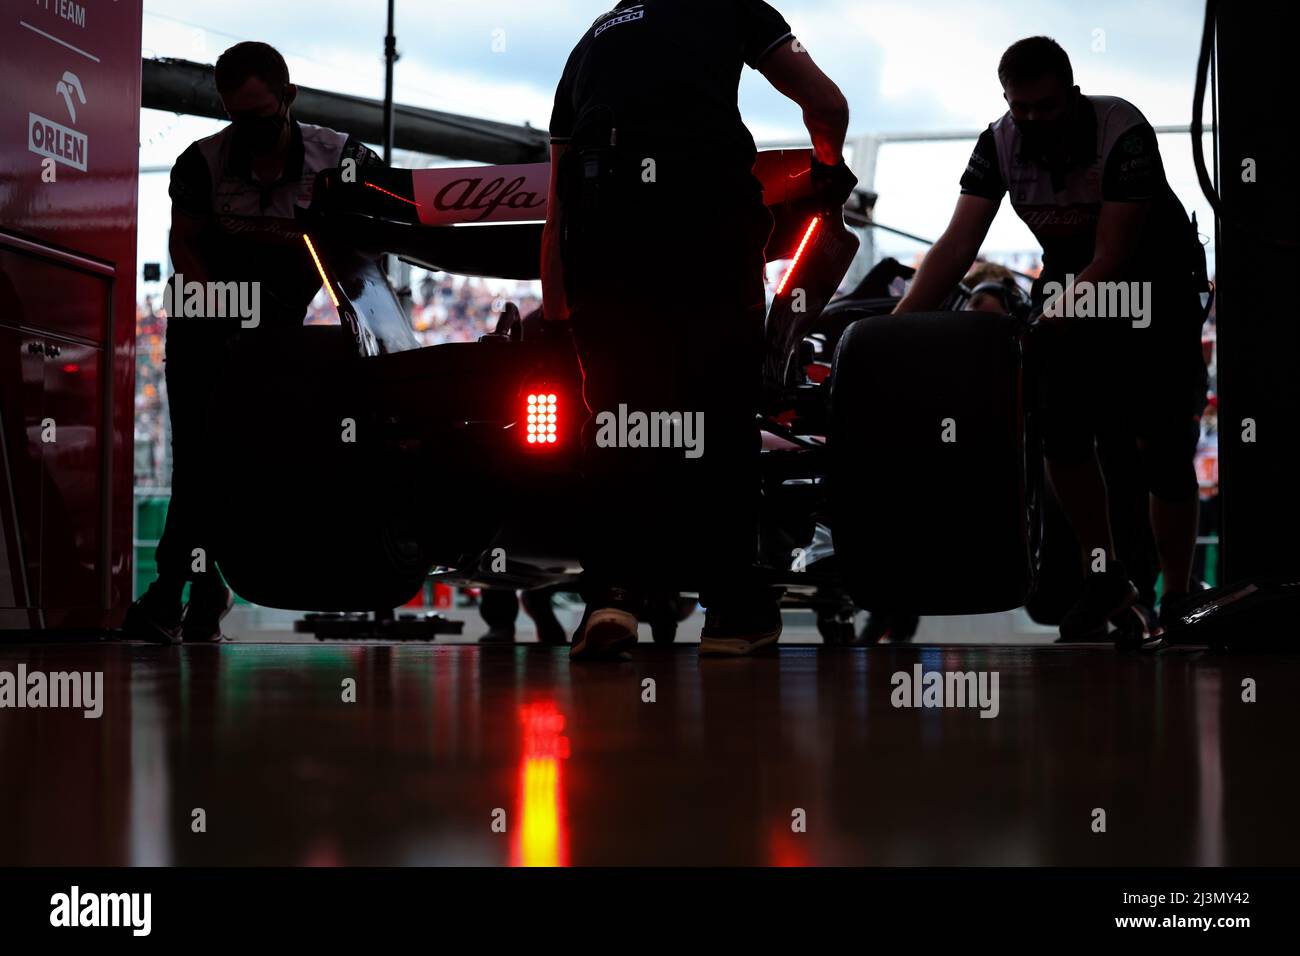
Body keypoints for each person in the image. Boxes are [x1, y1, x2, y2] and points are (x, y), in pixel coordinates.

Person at [541, 1, 851, 659]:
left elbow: (557, 197)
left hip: (601, 237)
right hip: (702, 226)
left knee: (615, 421)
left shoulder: (592, 38)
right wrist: (827, 165)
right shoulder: (734, 8)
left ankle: (610, 600)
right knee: (719, 415)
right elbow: (825, 101)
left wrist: (556, 311)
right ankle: (733, 612)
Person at [893, 36, 1208, 643]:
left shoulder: (1123, 131)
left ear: (1072, 92)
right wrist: (896, 326)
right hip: (1069, 273)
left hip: (1154, 282)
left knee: (1162, 443)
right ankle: (1105, 574)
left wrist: (1041, 325)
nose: (1033, 118)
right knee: (1059, 431)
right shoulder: (999, 142)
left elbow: (1113, 258)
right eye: (1022, 107)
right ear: (1007, 100)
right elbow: (958, 246)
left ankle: (1180, 593)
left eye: (1046, 106)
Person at [122, 42, 382, 643]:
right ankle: (178, 589)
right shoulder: (200, 164)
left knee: (242, 459)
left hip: (281, 330)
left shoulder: (342, 160)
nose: (251, 131)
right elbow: (183, 245)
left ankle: (198, 584)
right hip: (205, 316)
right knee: (199, 456)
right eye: (237, 117)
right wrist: (225, 312)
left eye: (262, 116)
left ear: (288, 98)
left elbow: (368, 246)